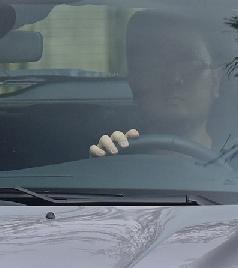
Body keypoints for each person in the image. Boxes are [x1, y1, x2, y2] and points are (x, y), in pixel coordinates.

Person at [89, 10, 228, 158]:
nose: (174, 79)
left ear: (216, 80)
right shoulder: (118, 156)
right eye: (157, 65)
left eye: (189, 64)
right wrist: (102, 166)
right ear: (134, 82)